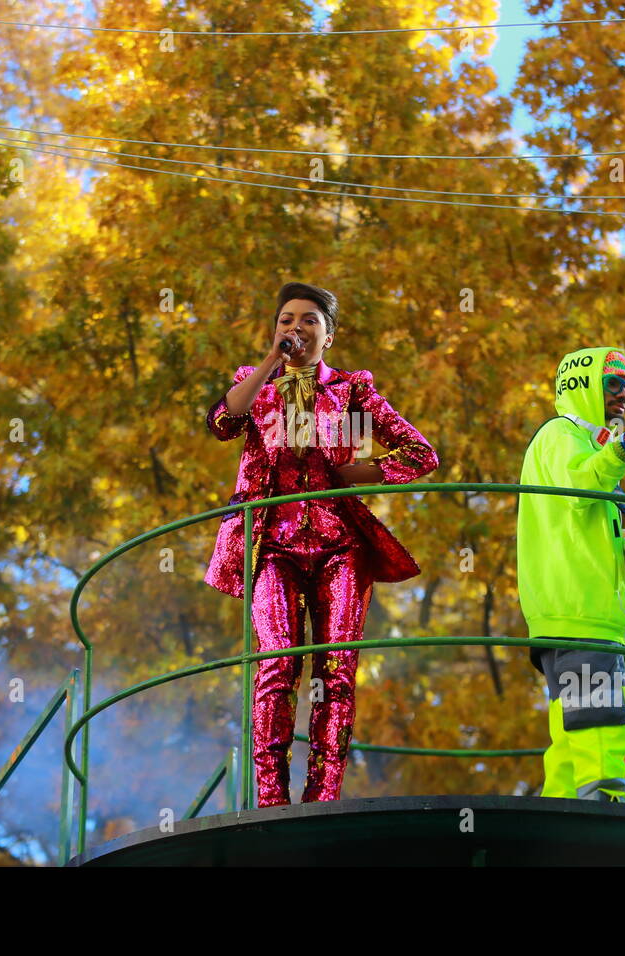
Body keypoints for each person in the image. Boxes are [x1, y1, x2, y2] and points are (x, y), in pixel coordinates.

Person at [204, 281, 438, 807]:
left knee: (337, 668)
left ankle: (322, 798)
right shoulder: (255, 383)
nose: (295, 328)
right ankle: (270, 801)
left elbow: (422, 454)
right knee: (277, 663)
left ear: (329, 335)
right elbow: (222, 422)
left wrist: (363, 469)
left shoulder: (352, 390)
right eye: (286, 320)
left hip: (340, 546)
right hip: (272, 546)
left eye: (309, 320)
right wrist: (271, 361)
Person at [516, 346, 625, 802]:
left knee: (571, 732)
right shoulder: (561, 435)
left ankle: (559, 815)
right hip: (583, 613)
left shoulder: (589, 446)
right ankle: (607, 808)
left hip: (580, 615)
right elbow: (581, 486)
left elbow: (599, 521)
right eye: (614, 385)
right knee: (600, 718)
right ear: (580, 386)